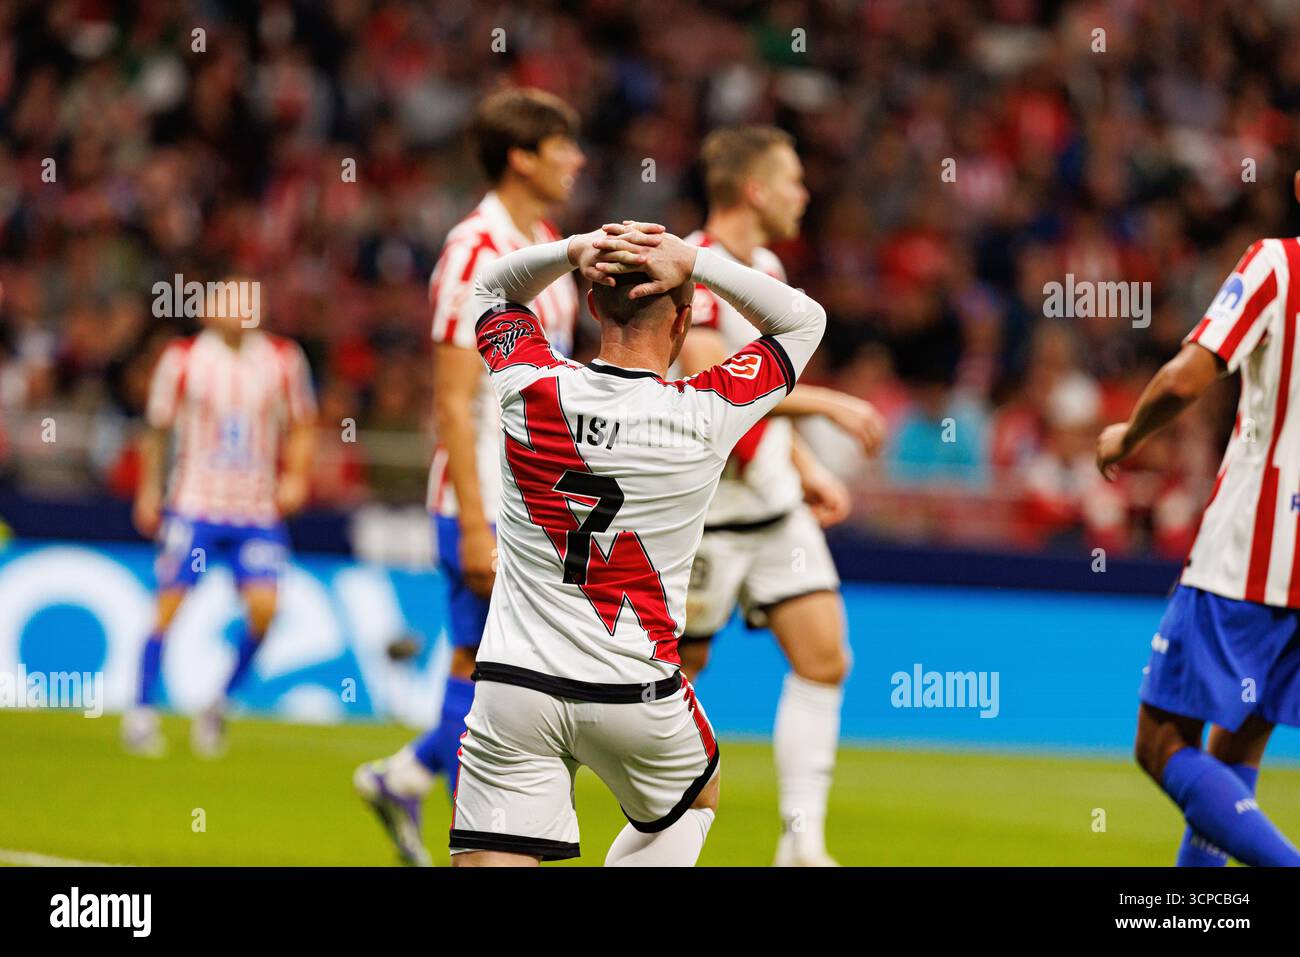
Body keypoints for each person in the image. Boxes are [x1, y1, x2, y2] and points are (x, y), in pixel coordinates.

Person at [448, 220, 825, 866]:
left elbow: (486, 291)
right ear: (683, 325)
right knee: (695, 794)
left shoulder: (528, 381)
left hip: (516, 684)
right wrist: (697, 263)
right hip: (635, 692)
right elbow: (802, 322)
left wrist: (571, 251)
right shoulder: (704, 411)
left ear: (593, 305)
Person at [353, 88, 583, 866]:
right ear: (522, 157)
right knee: (500, 679)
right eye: (563, 146)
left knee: (487, 671)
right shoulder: (475, 251)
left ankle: (406, 779)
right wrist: (476, 522)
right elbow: (455, 400)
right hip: (480, 500)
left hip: (536, 499)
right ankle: (477, 843)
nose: (577, 160)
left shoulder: (549, 244)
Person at [677, 126, 886, 865]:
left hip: (771, 507)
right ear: (755, 190)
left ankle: (803, 844)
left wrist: (802, 464)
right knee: (673, 674)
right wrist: (826, 404)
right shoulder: (692, 269)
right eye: (793, 180)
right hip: (705, 520)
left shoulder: (762, 267)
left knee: (826, 656)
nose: (805, 194)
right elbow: (714, 375)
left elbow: (759, 400)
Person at [1096, 227, 1300, 867]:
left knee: (1159, 741)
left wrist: (1128, 437)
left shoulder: (1278, 263)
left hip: (1251, 555)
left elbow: (1188, 379)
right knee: (1235, 753)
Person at [122, 278, 316, 758]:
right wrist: (149, 492)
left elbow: (304, 423)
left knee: (266, 610)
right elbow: (157, 429)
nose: (238, 311)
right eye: (229, 301)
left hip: (255, 509)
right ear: (208, 308)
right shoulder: (182, 359)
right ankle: (142, 711)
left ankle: (219, 702)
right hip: (195, 504)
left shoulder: (283, 359)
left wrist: (295, 475)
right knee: (169, 605)